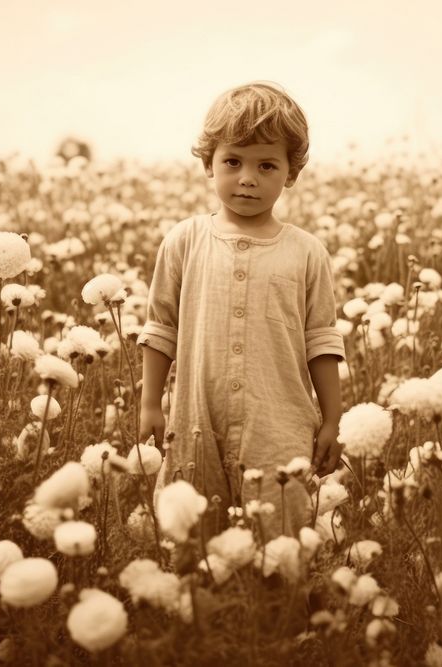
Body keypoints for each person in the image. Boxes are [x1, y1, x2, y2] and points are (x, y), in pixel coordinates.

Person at [137, 82, 345, 537]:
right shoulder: (184, 240)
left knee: (280, 544)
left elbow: (322, 342)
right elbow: (160, 328)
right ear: (208, 163)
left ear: (291, 173)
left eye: (266, 165)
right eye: (233, 161)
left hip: (279, 426)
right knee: (195, 543)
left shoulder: (307, 252)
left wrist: (332, 419)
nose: (247, 177)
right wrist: (151, 402)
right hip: (195, 423)